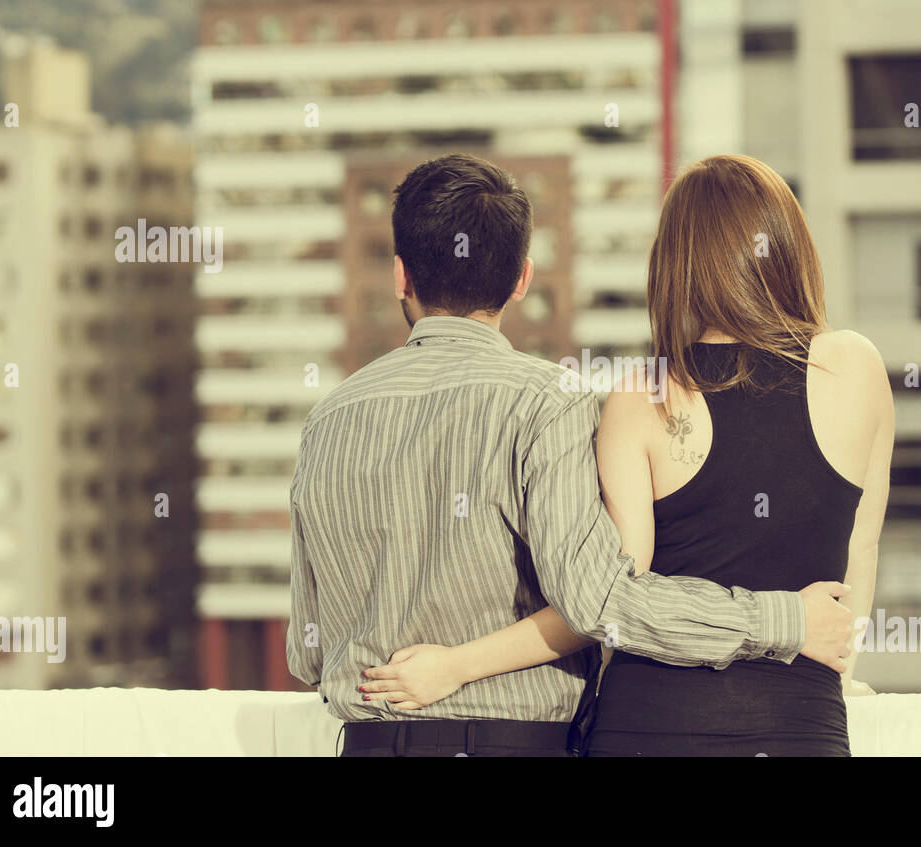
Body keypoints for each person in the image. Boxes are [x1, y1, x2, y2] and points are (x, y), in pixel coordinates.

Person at [287, 153, 857, 757]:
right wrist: (783, 622)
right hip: (520, 741)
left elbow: (308, 650)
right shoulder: (550, 404)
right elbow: (596, 600)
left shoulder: (327, 421)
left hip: (369, 739)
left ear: (400, 277)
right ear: (522, 280)